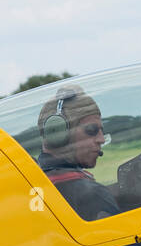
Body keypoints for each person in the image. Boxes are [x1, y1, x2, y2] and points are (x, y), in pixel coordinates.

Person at [35, 86, 121, 220]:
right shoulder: (93, 195)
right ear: (58, 132)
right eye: (91, 130)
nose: (101, 139)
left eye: (101, 131)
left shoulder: (31, 183)